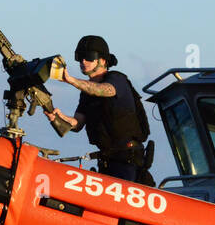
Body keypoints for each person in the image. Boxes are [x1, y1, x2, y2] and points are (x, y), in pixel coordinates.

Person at [47, 35, 154, 184]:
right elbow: (77, 123)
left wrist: (71, 80)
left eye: (89, 57)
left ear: (102, 60)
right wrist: (58, 117)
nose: (83, 62)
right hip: (106, 163)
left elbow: (105, 90)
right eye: (80, 57)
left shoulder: (117, 79)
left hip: (127, 164)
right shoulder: (86, 94)